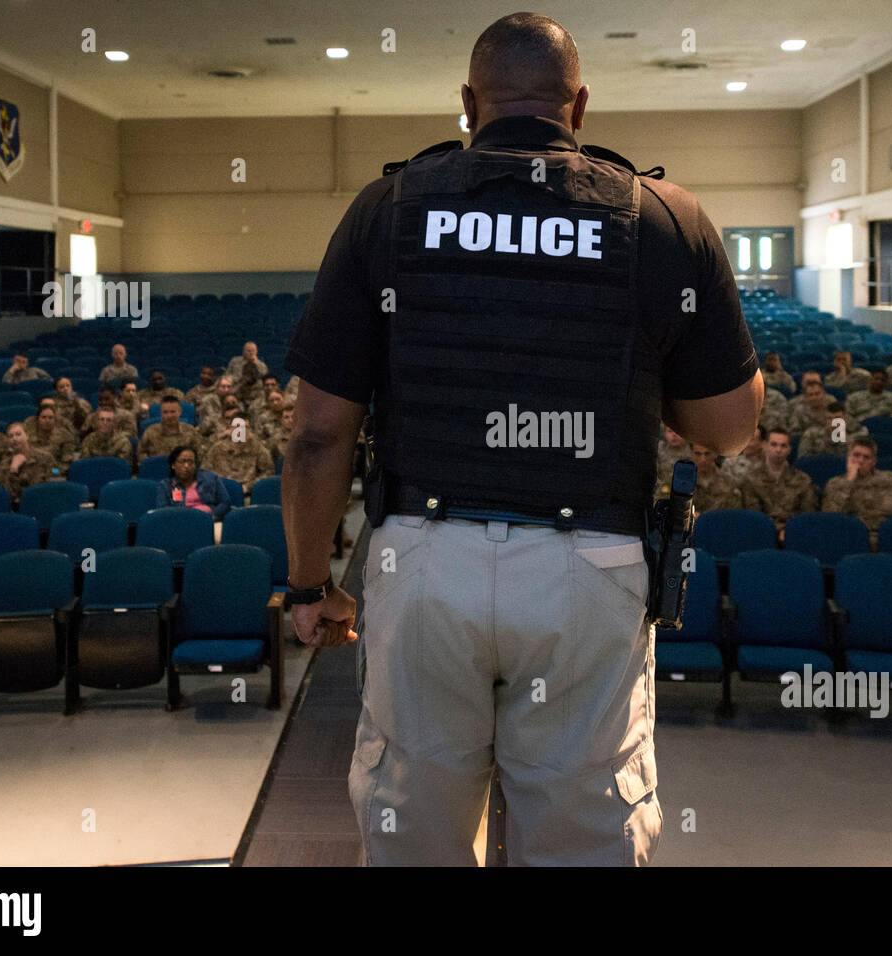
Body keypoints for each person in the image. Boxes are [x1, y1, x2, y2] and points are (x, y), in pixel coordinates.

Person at [281, 12, 760, 867]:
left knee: (414, 833)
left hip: (421, 567)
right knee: (583, 839)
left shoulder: (388, 210)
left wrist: (312, 586)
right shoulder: (661, 219)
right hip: (588, 570)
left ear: (469, 104)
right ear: (578, 107)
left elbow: (318, 435)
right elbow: (728, 427)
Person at [820, 436, 892, 548]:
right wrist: (849, 481)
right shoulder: (835, 484)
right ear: (848, 458)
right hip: (850, 538)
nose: (860, 461)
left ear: (874, 461)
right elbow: (830, 517)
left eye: (866, 457)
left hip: (886, 538)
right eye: (856, 455)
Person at [740, 426, 816, 538]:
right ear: (765, 446)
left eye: (783, 446)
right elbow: (753, 516)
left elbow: (807, 515)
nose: (778, 450)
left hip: (794, 534)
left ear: (790, 449)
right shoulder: (751, 479)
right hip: (761, 534)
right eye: (774, 444)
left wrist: (788, 531)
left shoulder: (803, 480)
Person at [202, 411, 275, 496]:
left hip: (248, 494)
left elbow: (269, 471)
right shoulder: (217, 448)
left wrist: (249, 486)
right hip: (221, 492)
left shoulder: (258, 448)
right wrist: (219, 486)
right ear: (230, 428)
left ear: (250, 429)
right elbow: (205, 471)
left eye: (245, 427)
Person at [155, 444, 231, 520]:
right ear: (173, 465)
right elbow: (163, 511)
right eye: (182, 461)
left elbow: (225, 502)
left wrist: (211, 516)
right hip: (181, 522)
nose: (186, 466)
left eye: (190, 462)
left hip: (210, 520)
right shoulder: (165, 485)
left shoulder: (210, 478)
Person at [0, 423, 56, 506]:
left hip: (43, 502)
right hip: (16, 506)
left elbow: (56, 475)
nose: (14, 439)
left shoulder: (45, 457)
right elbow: (6, 492)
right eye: (10, 436)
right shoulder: (5, 463)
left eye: (18, 434)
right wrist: (13, 469)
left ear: (27, 436)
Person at [797, 400, 865, 458]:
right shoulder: (811, 435)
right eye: (829, 418)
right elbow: (803, 461)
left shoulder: (855, 438)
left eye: (837, 418)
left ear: (845, 419)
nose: (833, 422)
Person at [688, 443, 744, 512]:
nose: (703, 459)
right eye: (698, 454)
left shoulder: (728, 482)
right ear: (691, 454)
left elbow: (733, 514)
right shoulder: (685, 481)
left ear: (715, 454)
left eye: (707, 454)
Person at [26, 403, 76, 471]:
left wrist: (53, 471)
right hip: (31, 471)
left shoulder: (65, 436)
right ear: (37, 419)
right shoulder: (27, 435)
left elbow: (67, 465)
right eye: (43, 417)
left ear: (55, 420)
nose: (47, 421)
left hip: (55, 472)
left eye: (50, 418)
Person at [655, 425, 691, 491]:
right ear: (665, 433)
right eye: (670, 431)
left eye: (678, 432)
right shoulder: (659, 449)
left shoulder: (694, 452)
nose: (674, 434)